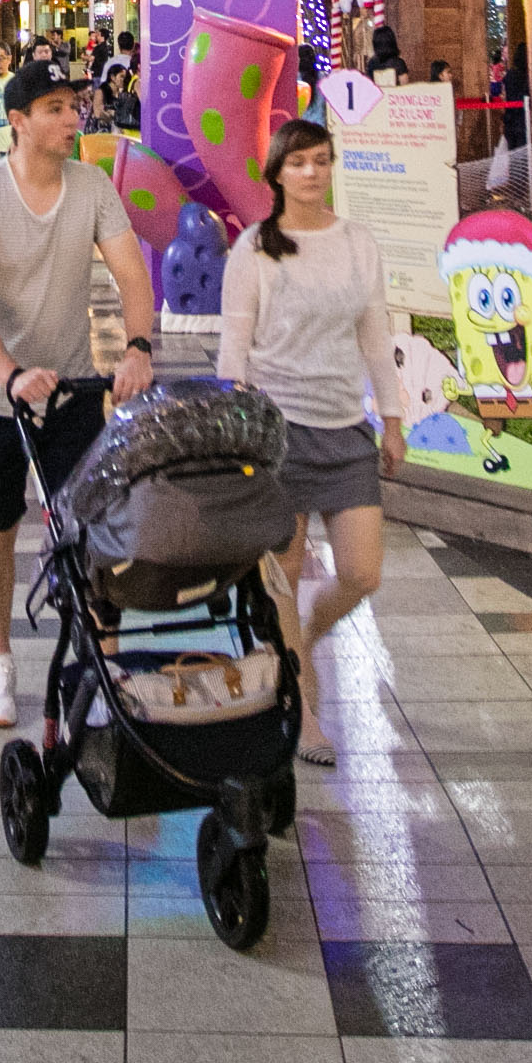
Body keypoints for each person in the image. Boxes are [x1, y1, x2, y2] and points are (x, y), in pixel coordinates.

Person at [0, 63, 162, 729]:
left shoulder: (92, 186)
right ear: (19, 120)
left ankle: (106, 665)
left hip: (68, 389)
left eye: (76, 106)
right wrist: (8, 373)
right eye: (58, 108)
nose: (74, 119)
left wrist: (138, 348)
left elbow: (132, 275)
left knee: (94, 529)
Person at [213, 116, 412, 765]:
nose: (312, 172)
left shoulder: (357, 242)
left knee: (362, 572)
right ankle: (305, 702)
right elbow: (234, 347)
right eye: (299, 162)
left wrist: (391, 417)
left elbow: (375, 336)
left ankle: (300, 635)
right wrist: (235, 429)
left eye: (322, 160)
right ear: (276, 173)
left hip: (344, 430)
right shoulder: (255, 250)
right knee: (284, 577)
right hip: (277, 434)